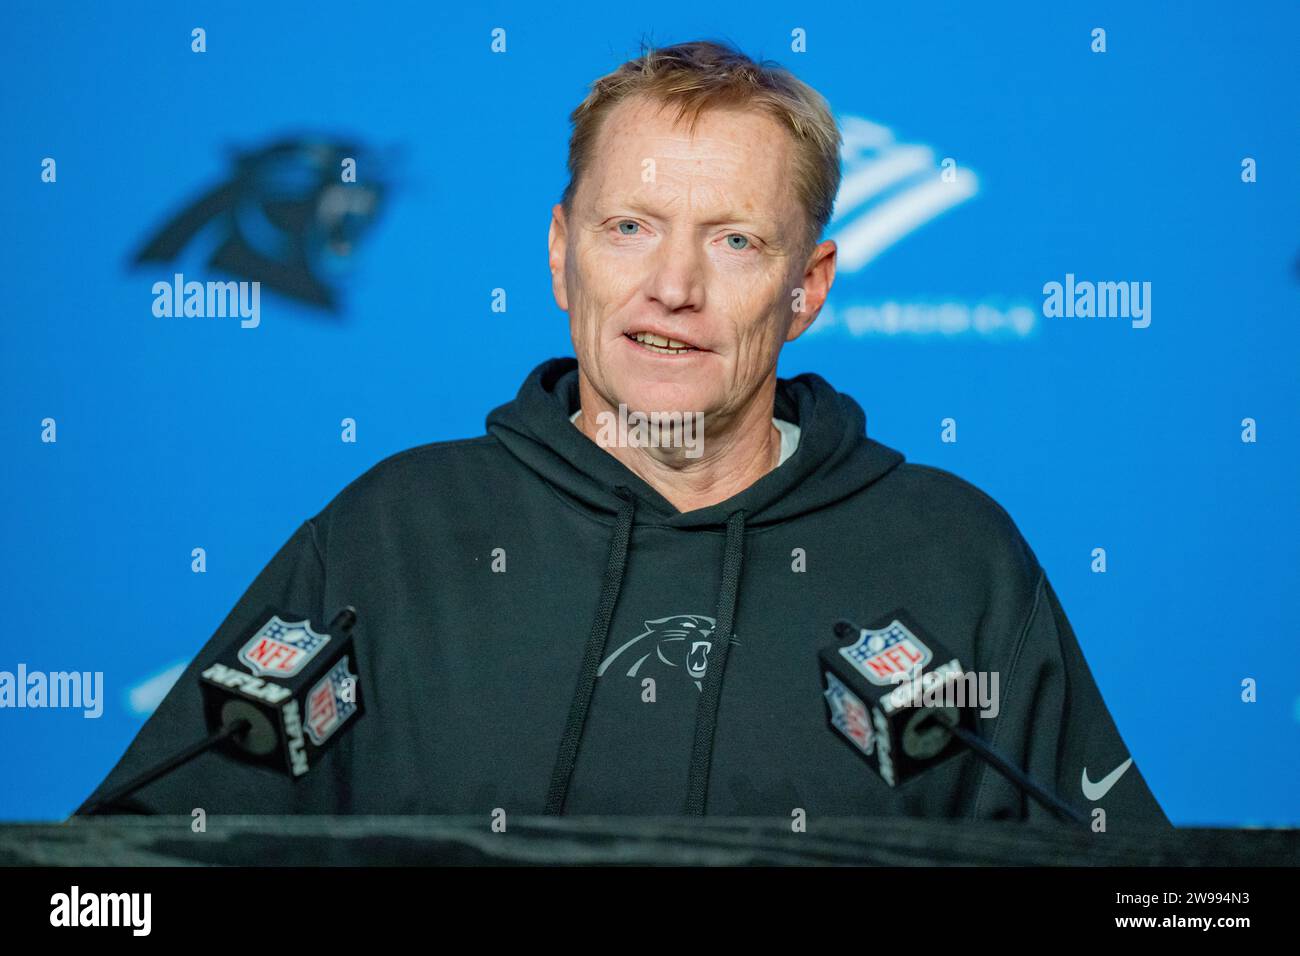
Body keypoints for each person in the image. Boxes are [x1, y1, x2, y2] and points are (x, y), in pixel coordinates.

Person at [77, 40, 1168, 827]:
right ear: (562, 253)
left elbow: (1152, 900)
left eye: (734, 240)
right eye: (630, 228)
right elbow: (123, 873)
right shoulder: (393, 533)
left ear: (807, 288)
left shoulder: (951, 555)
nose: (672, 287)